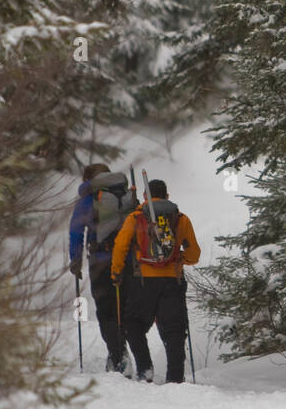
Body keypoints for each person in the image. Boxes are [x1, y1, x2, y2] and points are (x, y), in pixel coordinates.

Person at [111, 178, 200, 383]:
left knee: (133, 324)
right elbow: (194, 254)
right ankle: (175, 378)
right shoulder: (180, 218)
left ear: (144, 197)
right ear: (167, 196)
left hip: (143, 280)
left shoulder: (135, 217)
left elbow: (120, 246)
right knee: (174, 330)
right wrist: (178, 260)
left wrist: (116, 273)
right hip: (173, 281)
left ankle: (145, 368)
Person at [69, 163, 132, 374]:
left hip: (101, 262)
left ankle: (118, 356)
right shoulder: (125, 195)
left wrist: (75, 260)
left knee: (106, 312)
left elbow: (76, 232)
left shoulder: (88, 200)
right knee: (123, 309)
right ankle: (122, 351)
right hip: (128, 261)